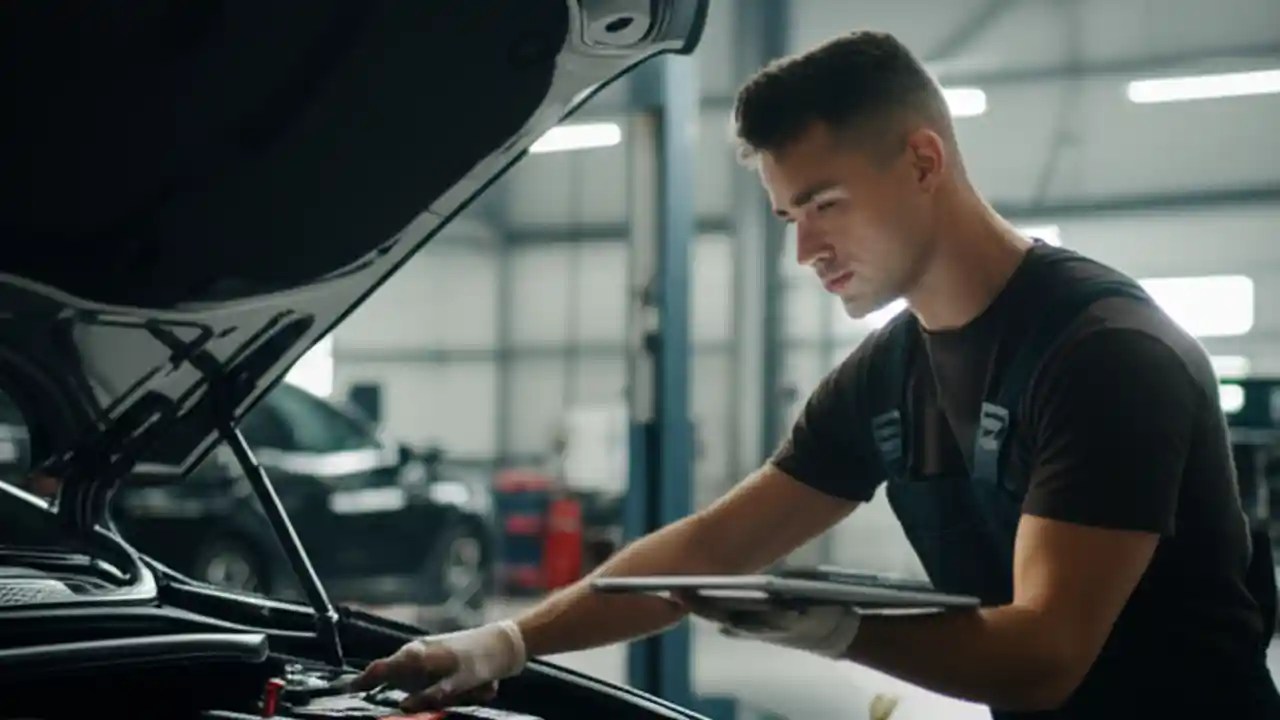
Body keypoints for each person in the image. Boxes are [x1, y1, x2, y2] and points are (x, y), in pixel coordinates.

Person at [352, 31, 1280, 718]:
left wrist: (838, 628)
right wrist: (505, 642)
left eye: (825, 205)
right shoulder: (889, 374)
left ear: (924, 160)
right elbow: (714, 547)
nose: (806, 251)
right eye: (789, 215)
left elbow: (1045, 656)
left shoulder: (1103, 357)